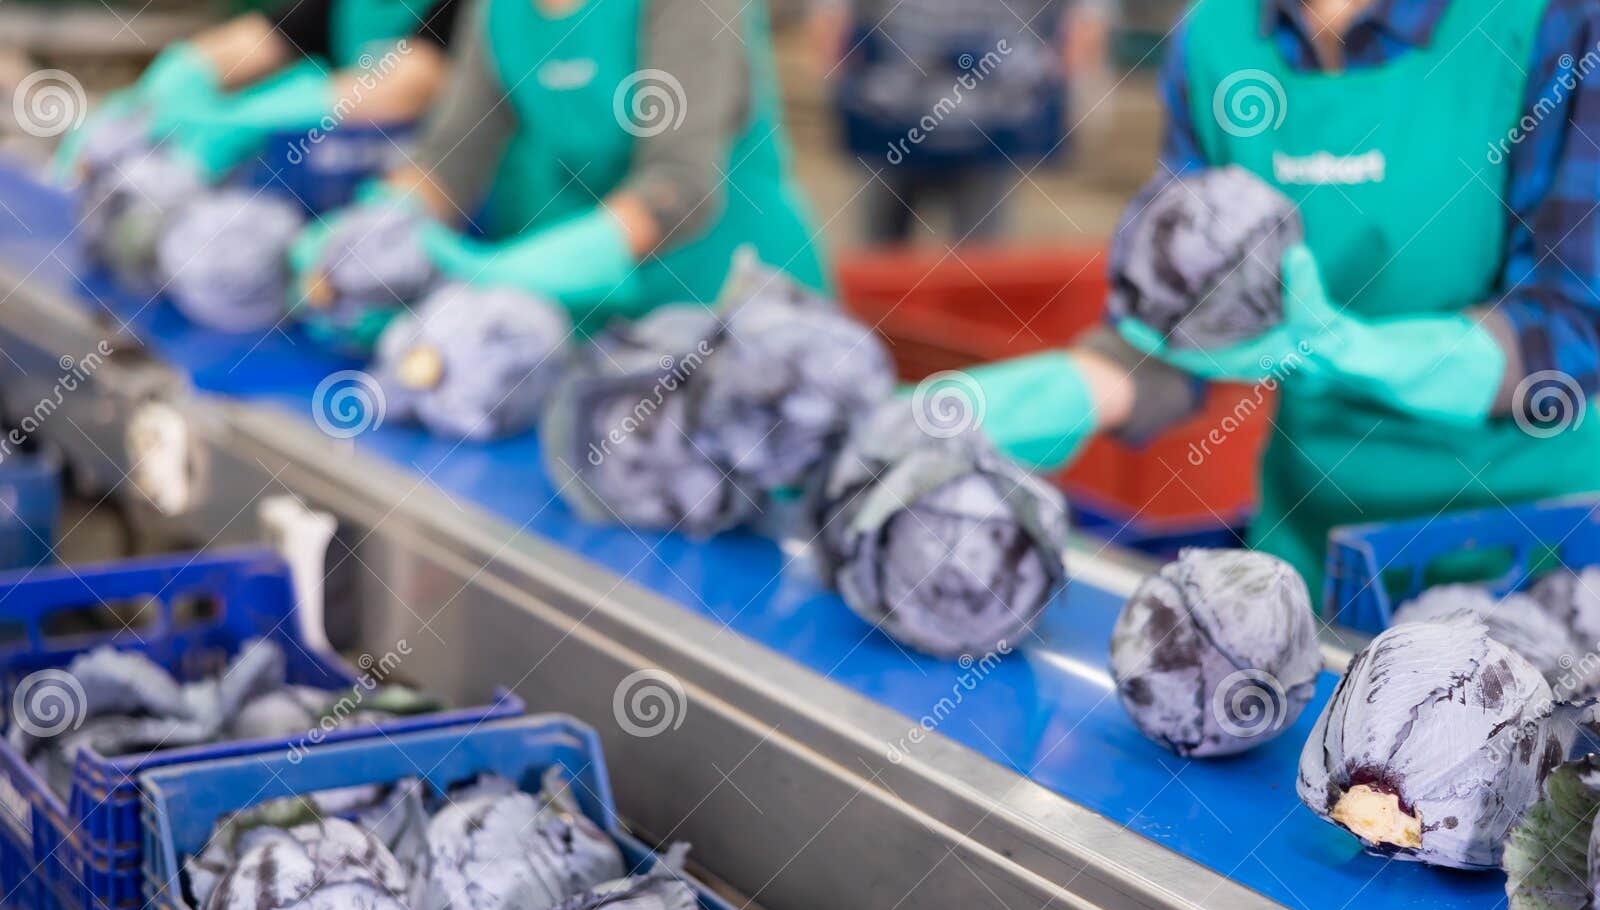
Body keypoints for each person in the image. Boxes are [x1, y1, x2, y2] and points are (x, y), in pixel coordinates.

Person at [958, 0, 1600, 592]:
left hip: (1535, 551)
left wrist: (1350, 351)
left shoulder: (1549, 22)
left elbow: (1573, 325)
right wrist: (1011, 406)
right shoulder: (1217, 37)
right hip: (1311, 550)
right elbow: (1182, 316)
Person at [294, 0, 826, 333]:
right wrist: (379, 227)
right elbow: (449, 161)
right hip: (592, 305)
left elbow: (679, 188)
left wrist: (505, 271)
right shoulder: (500, 10)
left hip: (728, 296)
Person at [55, 0, 458, 181]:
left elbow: (405, 87)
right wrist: (165, 85)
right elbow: (257, 42)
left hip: (463, 208)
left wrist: (243, 119)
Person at [814, 0, 1112, 244]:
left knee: (978, 270)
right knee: (878, 263)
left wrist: (1078, 39)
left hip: (993, 118)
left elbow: (1086, 20)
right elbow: (829, 21)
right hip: (890, 111)